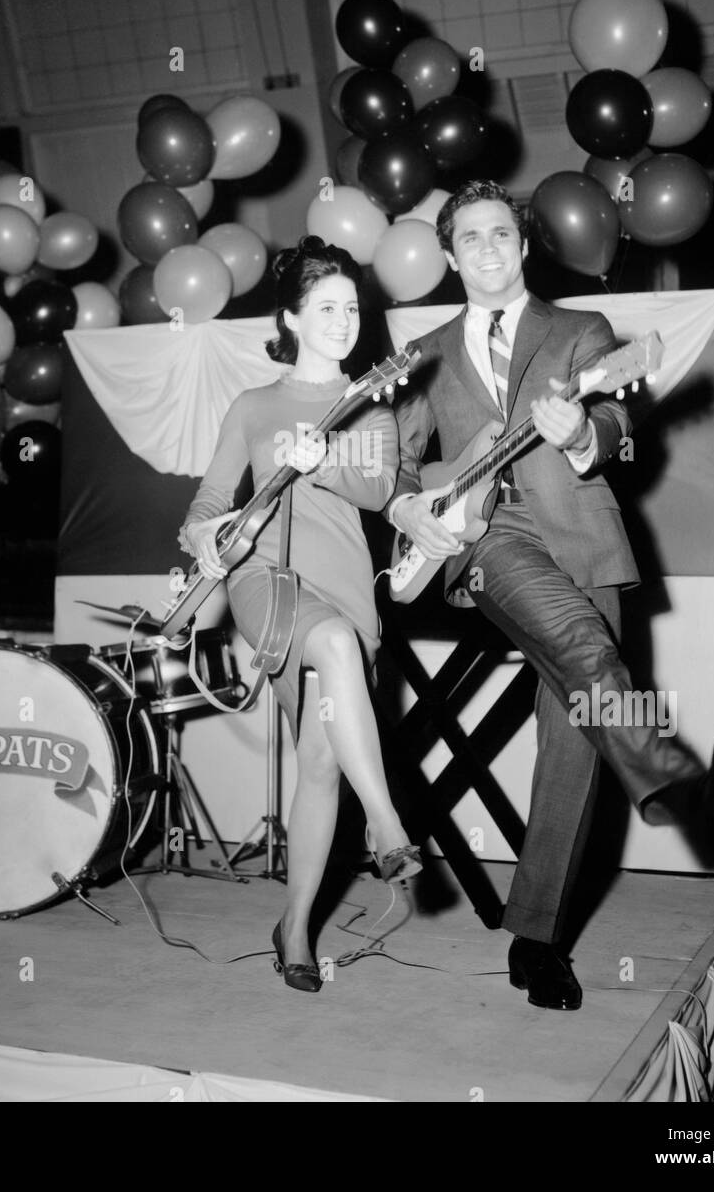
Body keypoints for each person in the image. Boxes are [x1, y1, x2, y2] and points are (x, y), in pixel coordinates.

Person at [388, 180, 714, 1012]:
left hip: (583, 542)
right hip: (488, 542)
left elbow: (616, 424)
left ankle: (536, 940)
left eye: (500, 234)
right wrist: (407, 503)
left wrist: (585, 436)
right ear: (449, 255)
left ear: (522, 247)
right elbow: (402, 466)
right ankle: (672, 774)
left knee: (574, 737)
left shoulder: (581, 332)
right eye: (470, 238)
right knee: (589, 648)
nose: (486, 249)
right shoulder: (421, 354)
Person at [180, 235, 421, 994]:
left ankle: (292, 929)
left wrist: (330, 462)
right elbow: (211, 502)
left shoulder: (372, 403)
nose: (345, 320)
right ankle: (386, 825)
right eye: (327, 307)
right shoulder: (254, 405)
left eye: (352, 307)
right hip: (269, 582)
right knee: (334, 644)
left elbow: (381, 492)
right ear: (290, 316)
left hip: (346, 578)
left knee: (319, 764)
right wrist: (199, 534)